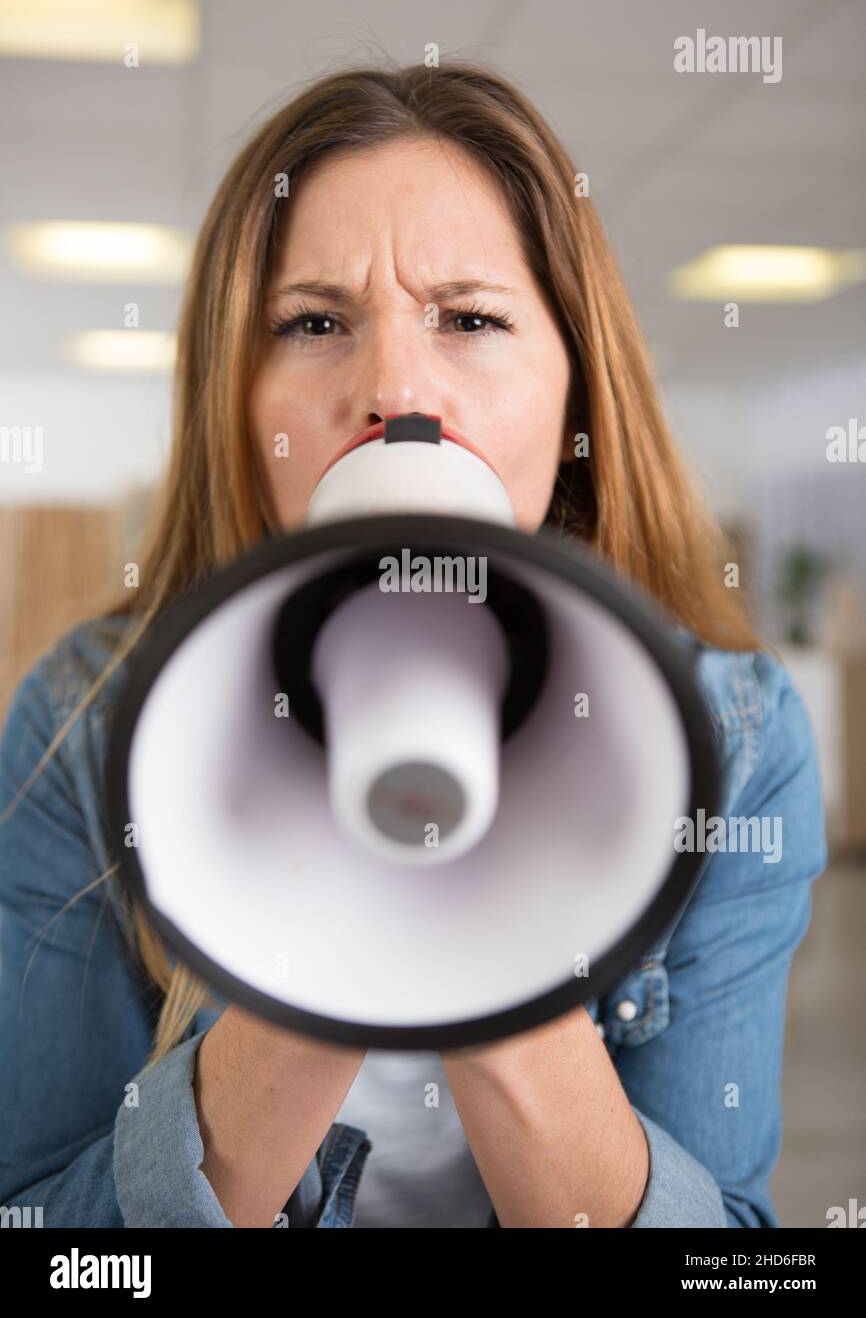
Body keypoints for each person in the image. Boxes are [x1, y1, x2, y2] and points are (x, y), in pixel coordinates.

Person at [0, 60, 827, 1229]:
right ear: (232, 398)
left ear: (574, 395)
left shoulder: (733, 736)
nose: (393, 387)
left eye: (470, 317)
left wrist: (482, 908)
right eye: (314, 322)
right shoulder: (79, 727)